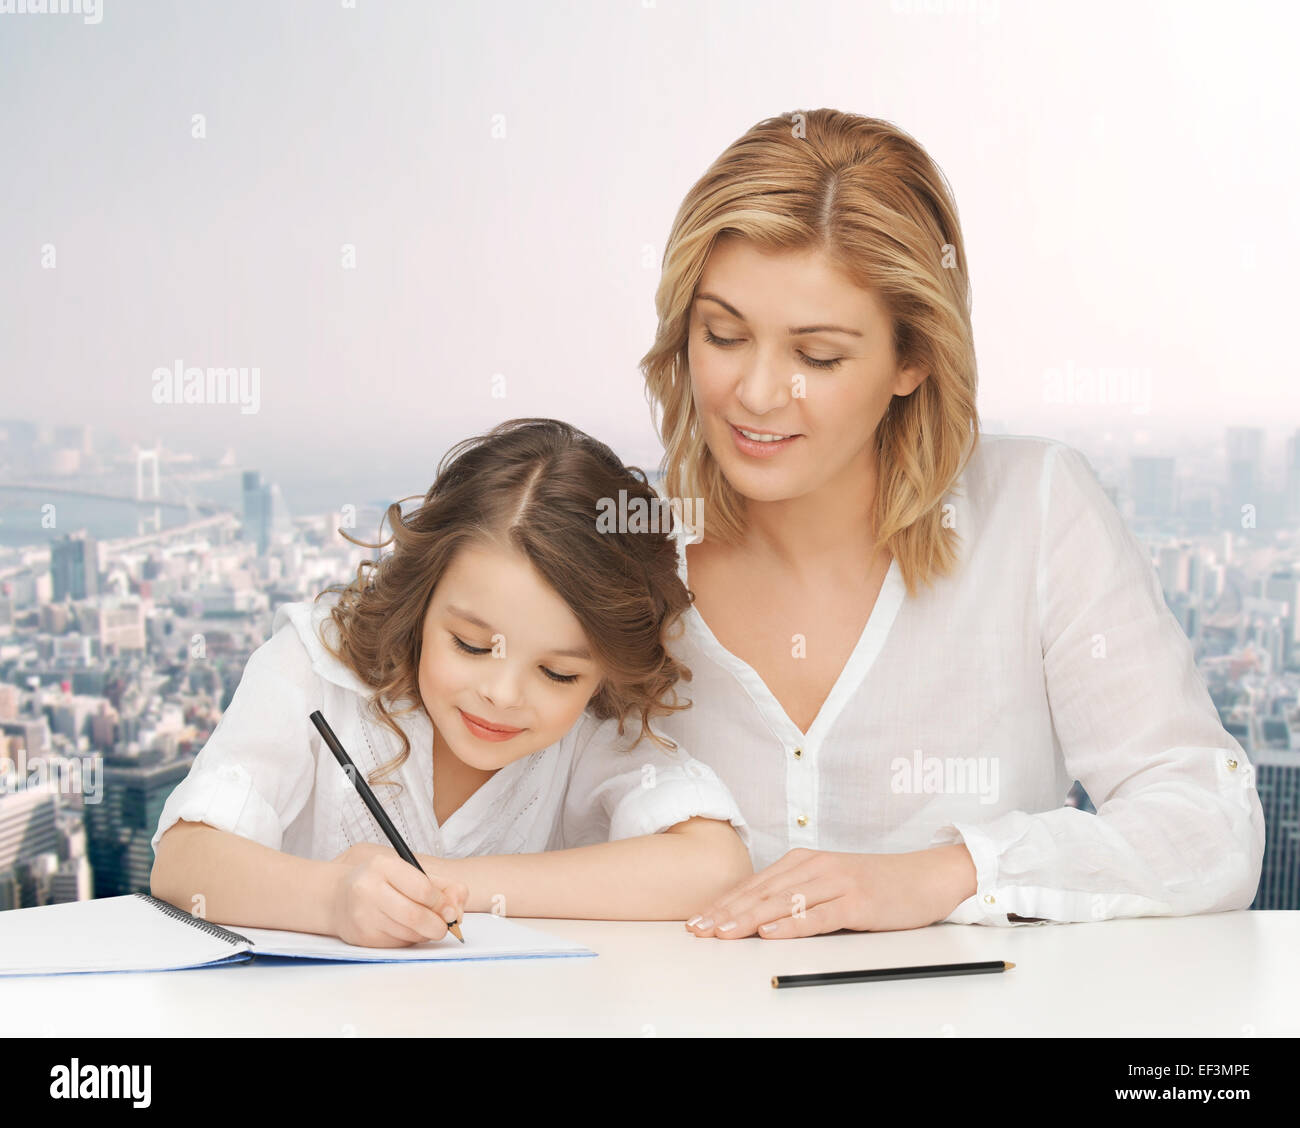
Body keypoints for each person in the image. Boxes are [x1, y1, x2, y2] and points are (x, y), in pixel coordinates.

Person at [636, 108, 1265, 938]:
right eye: (723, 335)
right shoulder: (621, 545)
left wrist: (950, 875)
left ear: (913, 357)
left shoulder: (1035, 509)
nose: (755, 393)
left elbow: (1211, 822)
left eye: (816, 356)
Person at [150, 418, 751, 947]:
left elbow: (714, 866)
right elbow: (185, 861)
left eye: (558, 672)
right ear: (422, 596)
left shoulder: (594, 721)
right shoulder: (313, 666)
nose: (504, 693)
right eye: (470, 644)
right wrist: (331, 898)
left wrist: (444, 884)